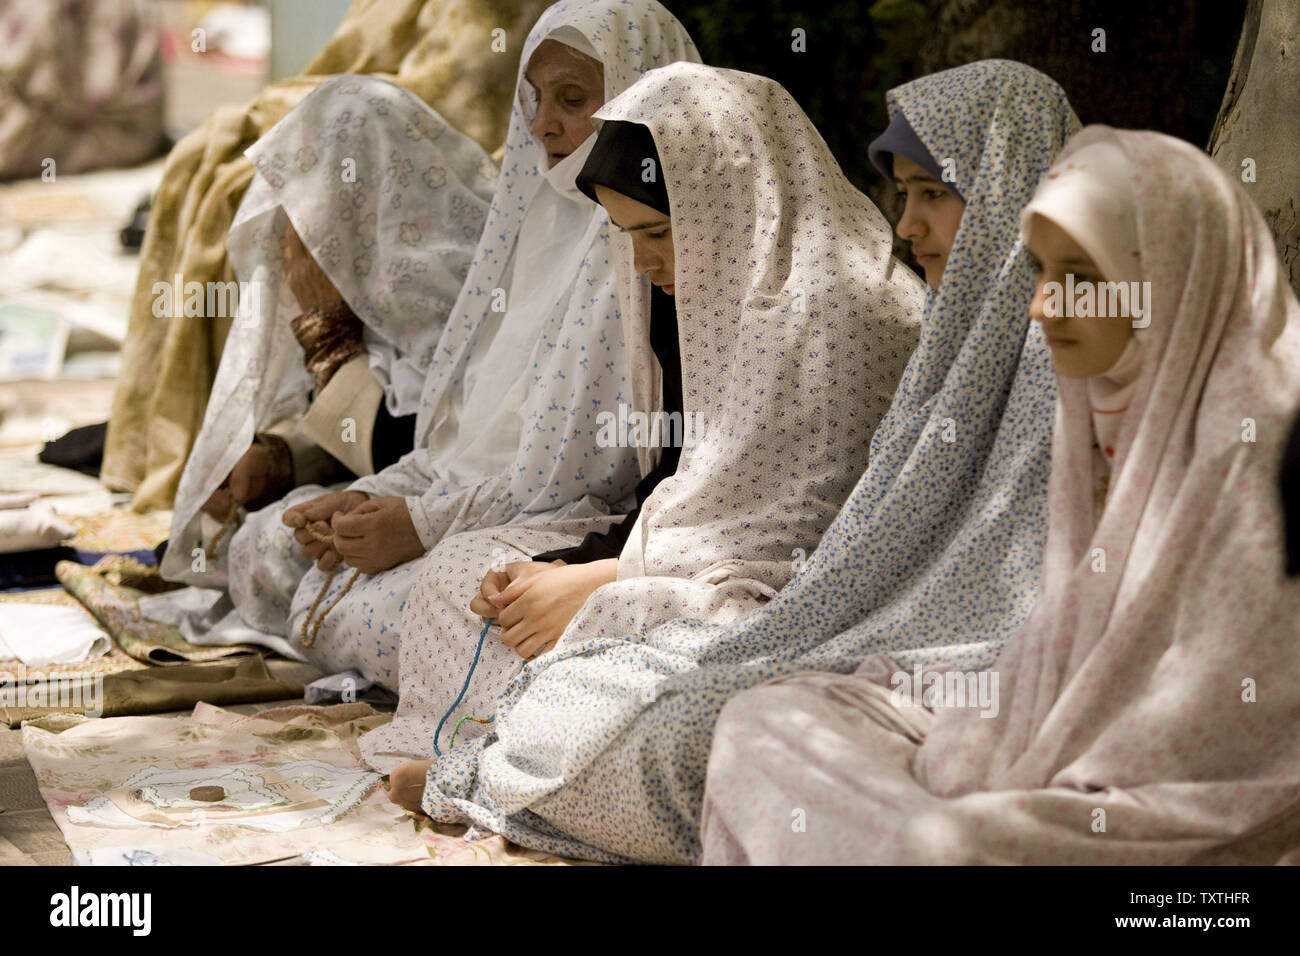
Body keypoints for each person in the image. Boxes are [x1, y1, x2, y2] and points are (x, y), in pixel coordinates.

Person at [408, 60, 1079, 864]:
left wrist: (615, 581)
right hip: (824, 628)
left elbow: (815, 550)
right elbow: (852, 541)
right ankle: (507, 766)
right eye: (905, 196)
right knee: (589, 693)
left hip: (878, 648)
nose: (905, 227)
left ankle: (495, 775)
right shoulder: (956, 336)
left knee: (700, 731)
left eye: (934, 194)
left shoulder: (1047, 345)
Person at [701, 126, 1300, 865]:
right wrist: (978, 741)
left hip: (1154, 808)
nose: (1042, 307)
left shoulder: (1259, 435)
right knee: (764, 719)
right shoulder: (1108, 401)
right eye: (1041, 273)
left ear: (1172, 274)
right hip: (1032, 753)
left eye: (1079, 275)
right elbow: (1063, 650)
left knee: (953, 847)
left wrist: (987, 772)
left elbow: (1210, 733)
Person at [370, 77, 922, 775]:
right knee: (461, 575)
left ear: (724, 201)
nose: (642, 262)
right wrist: (566, 570)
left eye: (658, 233)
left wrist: (604, 582)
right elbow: (685, 485)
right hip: (678, 570)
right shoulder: (705, 299)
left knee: (659, 673)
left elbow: (804, 541)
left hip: (793, 605)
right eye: (626, 236)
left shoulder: (839, 312)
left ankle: (525, 753)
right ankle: (525, 741)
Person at [217, 0, 701, 681]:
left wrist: (415, 524)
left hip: (570, 524)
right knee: (264, 543)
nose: (542, 124)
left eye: (572, 99)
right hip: (462, 506)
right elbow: (455, 437)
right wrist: (370, 505)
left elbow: (590, 479)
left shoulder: (648, 249)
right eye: (536, 100)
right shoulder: (526, 230)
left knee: (405, 607)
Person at [158, 73, 496, 608]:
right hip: (405, 506)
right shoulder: (364, 273)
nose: (296, 244)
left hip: (477, 520)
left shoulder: (468, 281)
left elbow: (433, 447)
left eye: (316, 219)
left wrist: (328, 336)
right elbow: (372, 432)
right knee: (267, 540)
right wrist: (282, 461)